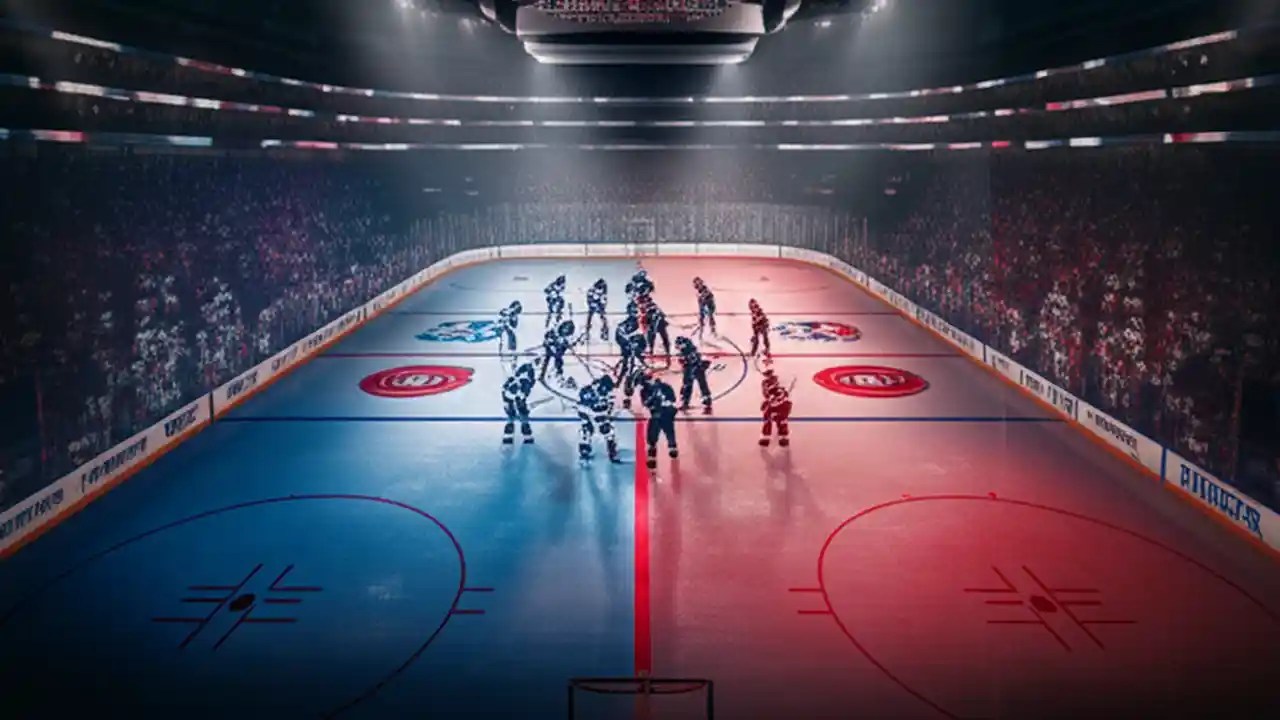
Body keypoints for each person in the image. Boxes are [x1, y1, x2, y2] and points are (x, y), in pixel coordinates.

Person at [578, 374, 621, 463]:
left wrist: (610, 413)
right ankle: (584, 449)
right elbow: (582, 404)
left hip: (601, 413)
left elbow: (612, 405)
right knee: (587, 429)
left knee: (608, 430)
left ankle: (612, 451)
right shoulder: (588, 391)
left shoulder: (608, 393)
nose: (609, 390)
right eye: (608, 388)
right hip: (587, 412)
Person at [640, 374, 679, 470]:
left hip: (666, 412)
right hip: (656, 414)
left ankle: (672, 447)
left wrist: (667, 404)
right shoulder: (644, 391)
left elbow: (672, 398)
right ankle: (652, 458)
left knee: (669, 430)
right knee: (653, 435)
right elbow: (646, 403)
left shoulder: (665, 386)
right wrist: (654, 398)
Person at [615, 315, 648, 407]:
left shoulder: (639, 336)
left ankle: (631, 396)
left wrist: (637, 350)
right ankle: (626, 393)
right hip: (631, 359)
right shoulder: (626, 333)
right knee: (628, 375)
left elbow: (643, 347)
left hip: (637, 363)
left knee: (635, 379)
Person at [675, 336, 712, 414]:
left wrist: (686, 364)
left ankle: (707, 402)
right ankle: (685, 402)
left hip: (696, 369)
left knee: (701, 385)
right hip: (689, 369)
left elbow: (692, 361)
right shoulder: (685, 351)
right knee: (687, 386)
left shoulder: (691, 352)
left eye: (679, 345)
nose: (678, 347)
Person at [502, 362, 536, 445]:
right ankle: (509, 435)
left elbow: (524, 393)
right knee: (513, 415)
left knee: (522, 414)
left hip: (514, 395)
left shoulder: (525, 381)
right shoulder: (518, 383)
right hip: (510, 396)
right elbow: (507, 392)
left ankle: (526, 435)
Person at [759, 369, 792, 447]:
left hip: (781, 407)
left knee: (782, 421)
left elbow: (785, 394)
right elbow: (765, 393)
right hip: (772, 406)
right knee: (767, 420)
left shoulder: (780, 389)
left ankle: (783, 437)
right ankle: (766, 437)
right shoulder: (765, 383)